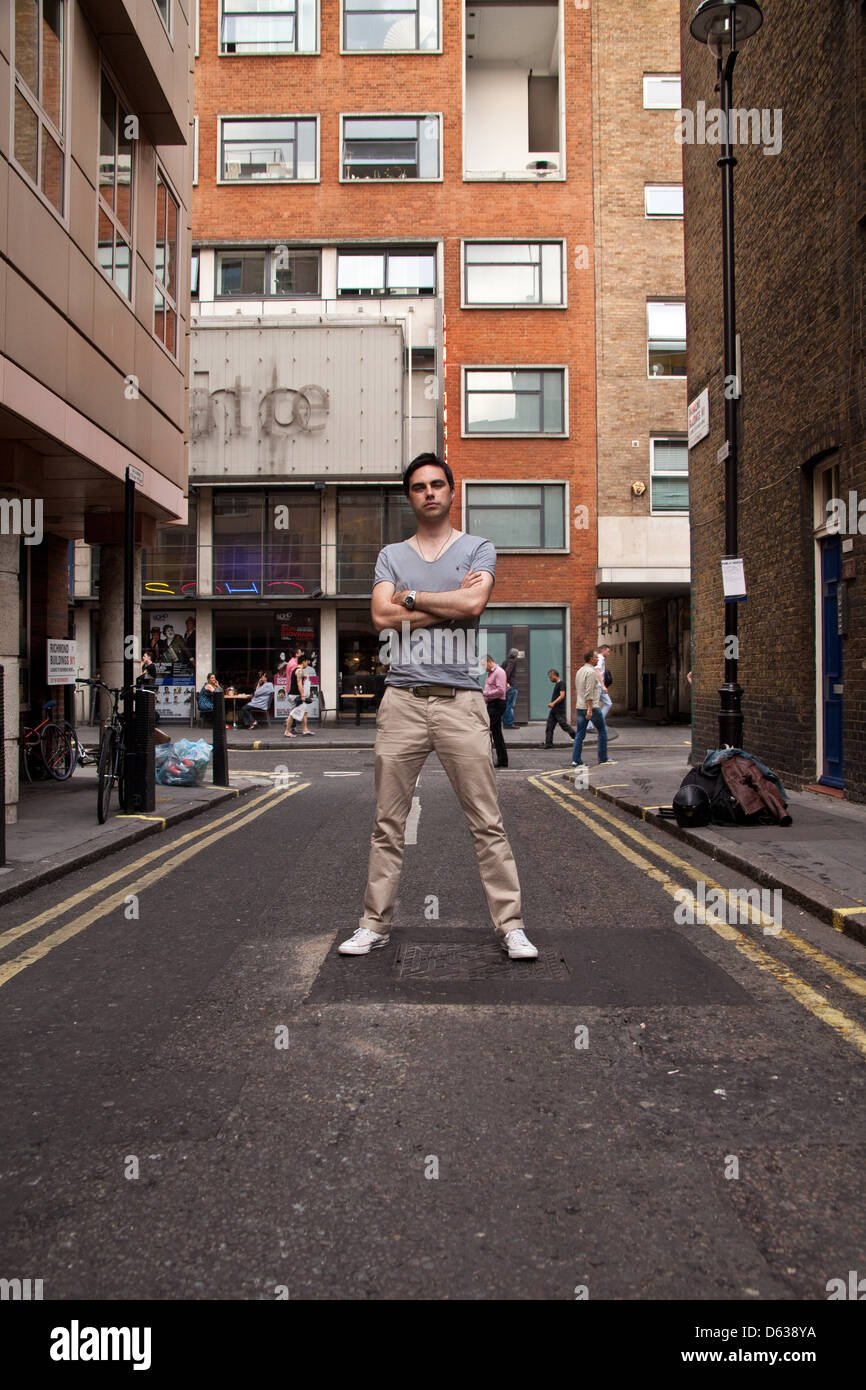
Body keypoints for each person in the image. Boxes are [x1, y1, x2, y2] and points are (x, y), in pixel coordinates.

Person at [339, 451, 537, 961]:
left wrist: (409, 600)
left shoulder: (478, 548)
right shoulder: (390, 554)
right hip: (402, 701)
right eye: (419, 486)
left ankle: (510, 925)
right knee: (388, 822)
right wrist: (439, 599)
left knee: (486, 820)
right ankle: (374, 924)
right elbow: (380, 621)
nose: (429, 492)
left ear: (452, 493)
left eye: (437, 484)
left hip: (461, 702)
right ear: (410, 497)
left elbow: (473, 606)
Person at [572, 649, 615, 769]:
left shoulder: (580, 670)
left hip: (580, 707)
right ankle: (603, 758)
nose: (598, 659)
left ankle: (576, 760)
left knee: (580, 733)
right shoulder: (591, 672)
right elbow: (589, 692)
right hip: (591, 707)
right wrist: (590, 709)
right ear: (591, 659)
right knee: (602, 731)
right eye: (596, 657)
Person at [483, 653, 508, 768]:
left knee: (486, 730)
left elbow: (501, 690)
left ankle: (487, 759)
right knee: (497, 733)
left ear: (490, 662)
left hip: (498, 704)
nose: (483, 668)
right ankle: (502, 760)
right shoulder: (490, 673)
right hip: (492, 704)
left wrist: (485, 694)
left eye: (484, 665)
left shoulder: (499, 672)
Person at [544, 668, 576, 747]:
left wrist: (553, 703)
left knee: (564, 725)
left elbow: (562, 696)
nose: (550, 679)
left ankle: (577, 737)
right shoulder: (557, 684)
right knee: (549, 726)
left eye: (550, 677)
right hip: (554, 710)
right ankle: (548, 743)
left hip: (559, 710)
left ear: (554, 675)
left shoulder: (561, 684)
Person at [286, 655, 313, 736]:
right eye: (307, 661)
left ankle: (305, 730)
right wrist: (302, 696)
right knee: (293, 714)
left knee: (304, 712)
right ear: (303, 661)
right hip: (296, 695)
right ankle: (287, 731)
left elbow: (293, 681)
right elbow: (299, 684)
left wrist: (305, 676)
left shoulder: (297, 670)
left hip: (293, 694)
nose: (307, 663)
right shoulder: (299, 671)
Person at [281, 646, 304, 734]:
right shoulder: (293, 664)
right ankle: (288, 723)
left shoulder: (293, 662)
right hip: (293, 689)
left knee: (295, 709)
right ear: (296, 654)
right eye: (299, 651)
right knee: (294, 710)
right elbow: (295, 678)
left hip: (292, 688)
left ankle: (292, 727)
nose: (301, 652)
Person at [595, 643, 612, 722]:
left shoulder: (601, 659)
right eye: (607, 651)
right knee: (594, 705)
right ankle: (590, 725)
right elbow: (597, 671)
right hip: (598, 685)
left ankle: (599, 721)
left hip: (600, 685)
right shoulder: (599, 658)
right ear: (603, 650)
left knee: (608, 703)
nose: (608, 653)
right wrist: (603, 685)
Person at [502, 647, 519, 728]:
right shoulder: (512, 662)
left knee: (506, 705)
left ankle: (506, 723)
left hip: (506, 686)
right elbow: (507, 673)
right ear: (515, 655)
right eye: (517, 654)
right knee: (510, 705)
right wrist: (507, 683)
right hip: (511, 686)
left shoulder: (505, 661)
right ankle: (509, 724)